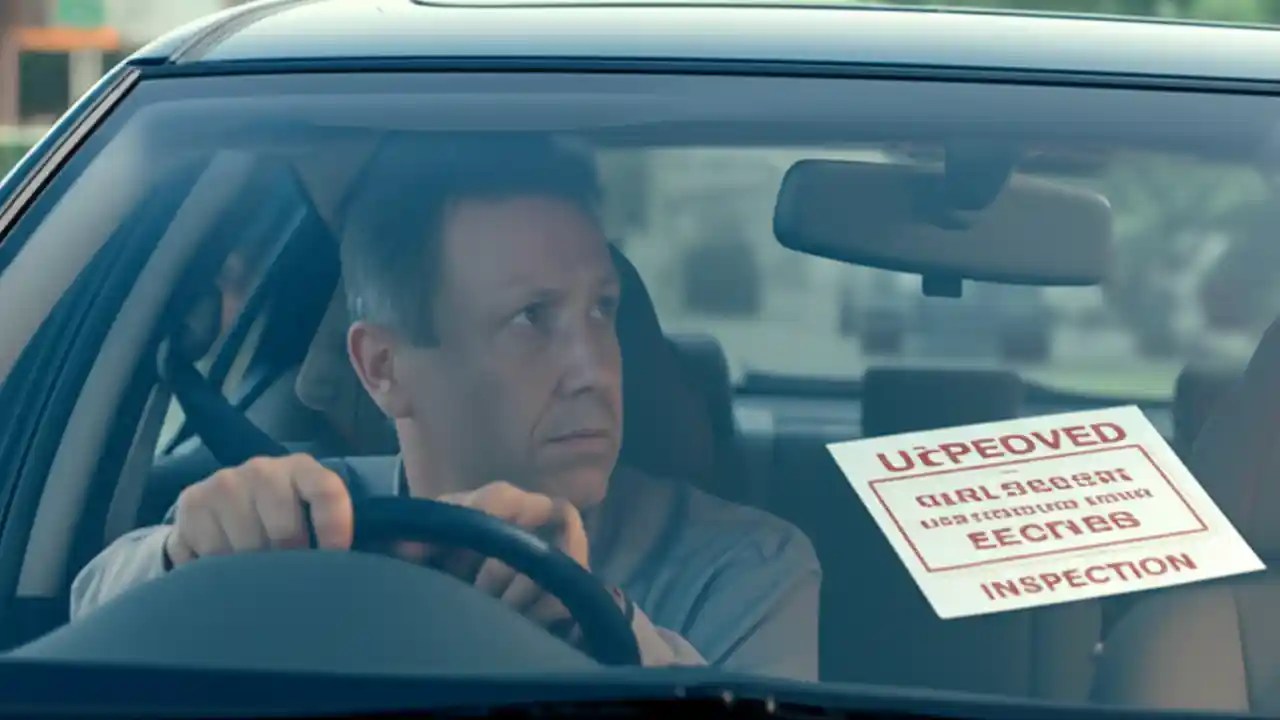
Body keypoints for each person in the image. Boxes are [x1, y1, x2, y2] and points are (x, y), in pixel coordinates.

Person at [69, 136, 822, 680]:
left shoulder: (741, 566)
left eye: (603, 309)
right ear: (383, 367)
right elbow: (85, 619)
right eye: (533, 318)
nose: (595, 368)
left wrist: (601, 622)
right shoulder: (306, 522)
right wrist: (181, 558)